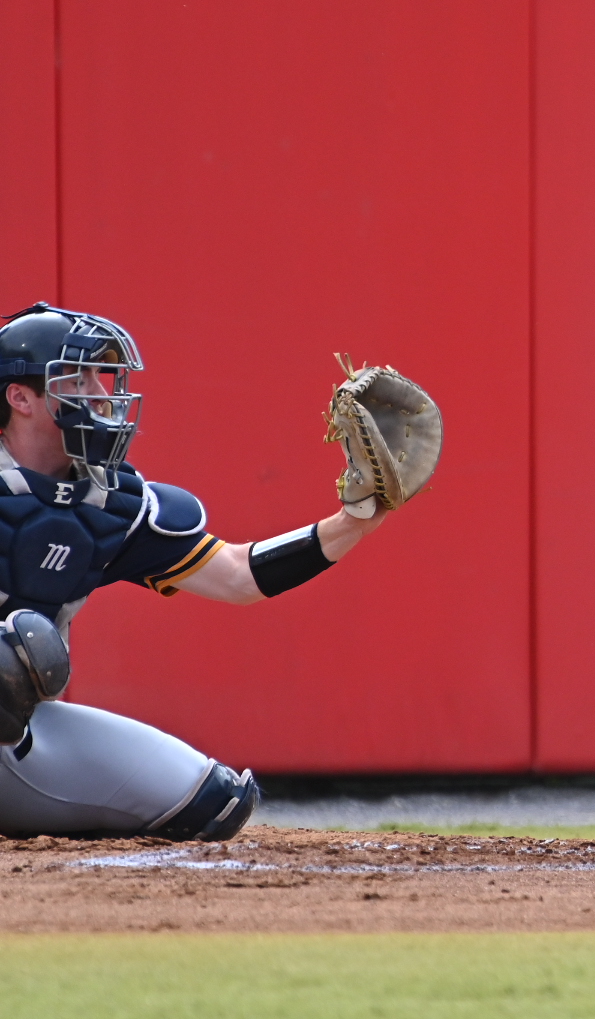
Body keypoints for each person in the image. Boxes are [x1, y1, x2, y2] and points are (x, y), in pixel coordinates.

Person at [0, 302, 383, 840]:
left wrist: (357, 520)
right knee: (13, 650)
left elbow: (239, 576)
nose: (103, 394)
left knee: (213, 803)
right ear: (21, 397)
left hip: (19, 732)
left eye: (103, 378)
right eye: (78, 378)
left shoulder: (110, 502)